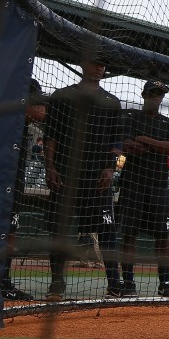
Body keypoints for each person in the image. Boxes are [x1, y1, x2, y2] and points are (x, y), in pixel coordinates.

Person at [41, 54, 122, 301]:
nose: (98, 67)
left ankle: (115, 285)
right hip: (66, 173)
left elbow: (116, 142)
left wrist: (111, 168)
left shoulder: (112, 101)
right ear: (82, 64)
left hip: (98, 177)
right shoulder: (62, 95)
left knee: (107, 231)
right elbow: (51, 136)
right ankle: (57, 283)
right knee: (59, 230)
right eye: (93, 62)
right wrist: (50, 167)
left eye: (101, 63)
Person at [114, 80, 169, 297]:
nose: (156, 97)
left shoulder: (168, 123)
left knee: (163, 236)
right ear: (144, 95)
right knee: (129, 235)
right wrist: (154, 146)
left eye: (159, 94)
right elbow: (126, 145)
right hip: (132, 183)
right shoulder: (130, 117)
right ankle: (128, 283)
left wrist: (145, 140)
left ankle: (165, 283)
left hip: (158, 185)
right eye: (152, 93)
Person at [0, 78, 46, 301]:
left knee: (10, 228)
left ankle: (2, 280)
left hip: (14, 170)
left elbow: (38, 113)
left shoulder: (29, 83)